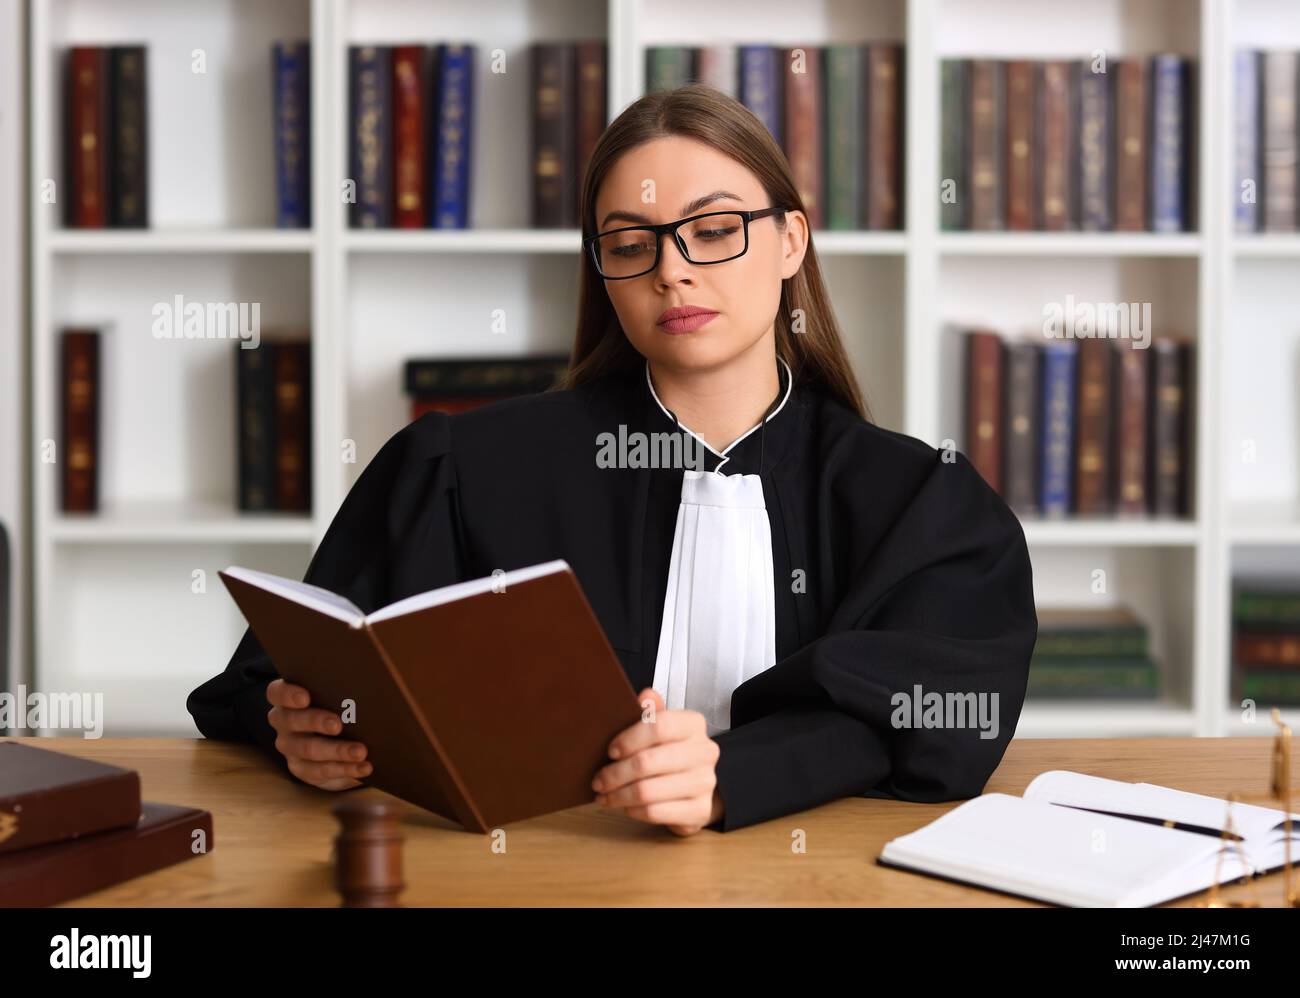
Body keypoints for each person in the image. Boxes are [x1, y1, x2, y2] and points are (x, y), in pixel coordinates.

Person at [187, 83, 1037, 836]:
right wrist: (296, 731)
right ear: (605, 274)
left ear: (790, 242)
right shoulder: (467, 467)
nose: (673, 271)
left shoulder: (918, 501)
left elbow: (949, 719)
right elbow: (280, 672)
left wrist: (732, 775)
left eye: (713, 231)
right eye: (631, 244)